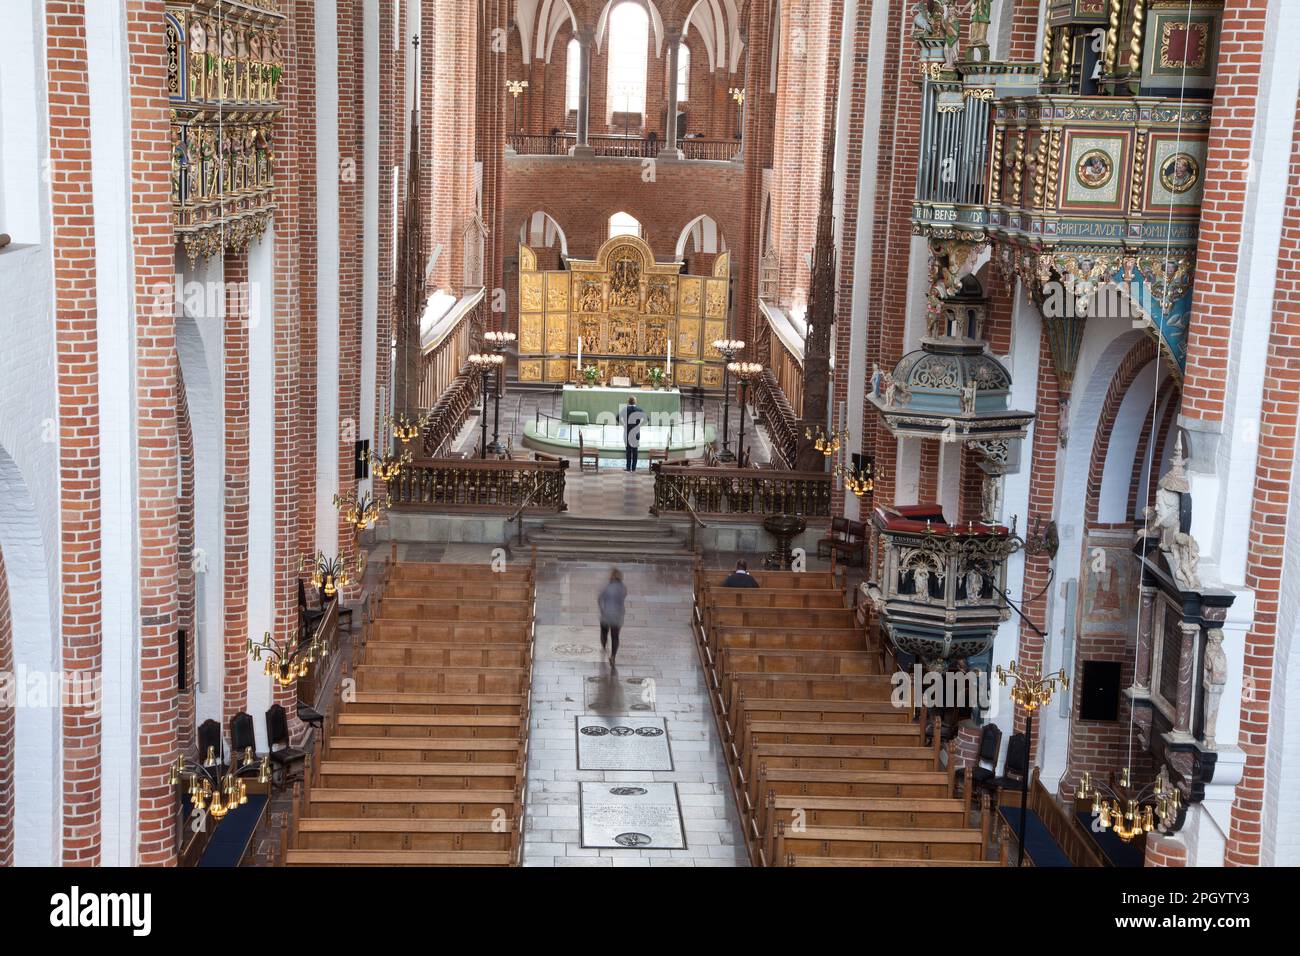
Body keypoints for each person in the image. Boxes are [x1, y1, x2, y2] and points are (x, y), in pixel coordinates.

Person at [598, 568, 627, 664]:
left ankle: (604, 646)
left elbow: (600, 599)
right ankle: (613, 656)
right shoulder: (623, 588)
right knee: (615, 637)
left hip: (606, 615)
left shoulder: (607, 587)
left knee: (604, 632)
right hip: (617, 616)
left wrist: (603, 610)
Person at [620, 396, 645, 472]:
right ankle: (633, 468)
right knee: (635, 451)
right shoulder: (639, 409)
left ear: (628, 401)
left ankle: (628, 468)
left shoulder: (625, 409)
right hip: (636, 432)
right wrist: (639, 425)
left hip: (628, 431)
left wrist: (624, 424)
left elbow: (618, 417)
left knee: (628, 451)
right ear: (635, 402)